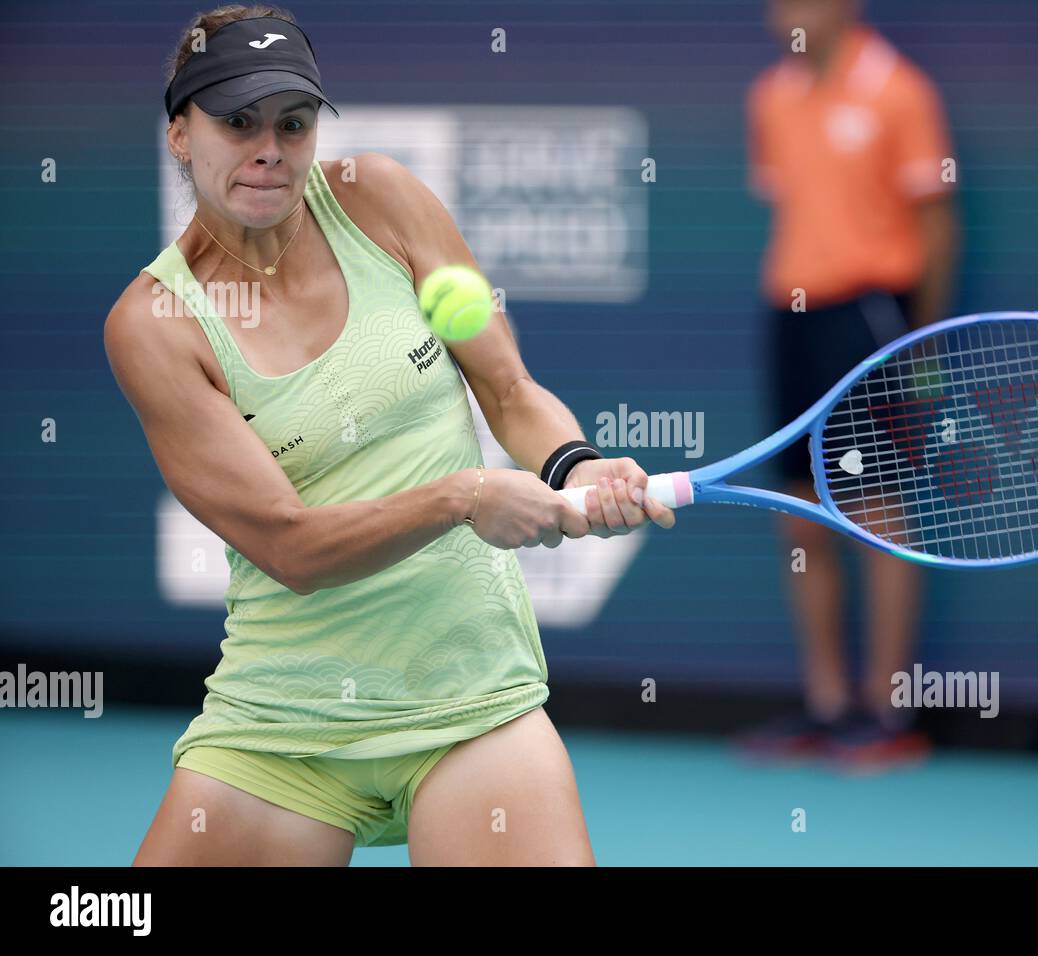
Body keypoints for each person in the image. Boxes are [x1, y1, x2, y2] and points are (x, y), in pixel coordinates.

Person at [107, 6, 674, 866]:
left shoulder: (382, 199)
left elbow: (509, 387)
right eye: (236, 121)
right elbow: (288, 546)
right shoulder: (155, 324)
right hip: (281, 731)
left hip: (470, 702)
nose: (269, 147)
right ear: (181, 134)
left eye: (291, 123)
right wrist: (464, 496)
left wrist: (575, 464)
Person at [738, 0, 959, 767]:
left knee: (876, 510)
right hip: (792, 315)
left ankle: (889, 711)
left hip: (871, 321)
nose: (784, 11)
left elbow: (936, 223)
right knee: (798, 514)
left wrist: (920, 345)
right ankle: (829, 706)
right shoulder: (769, 94)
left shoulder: (900, 90)